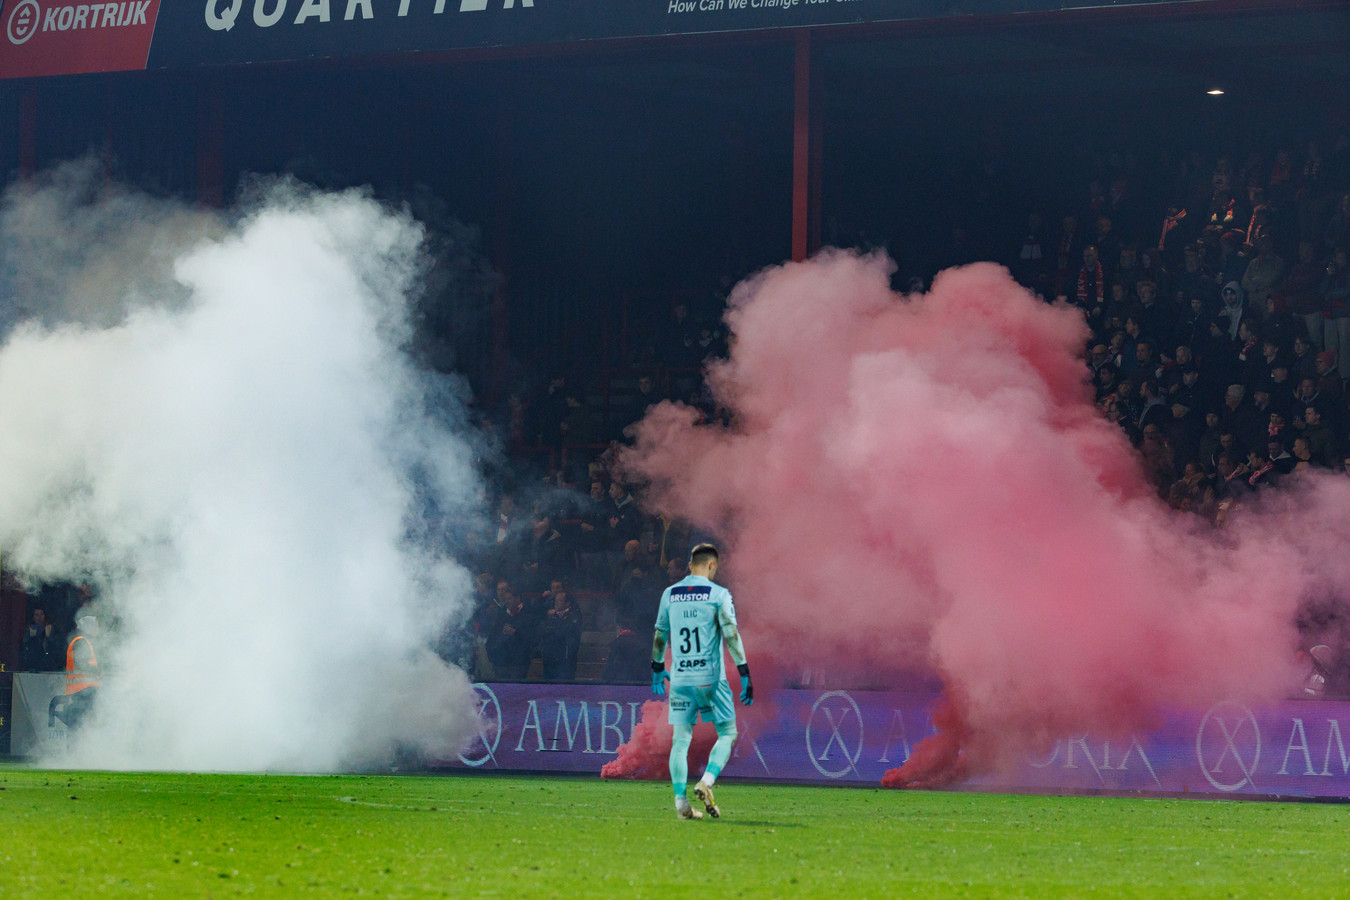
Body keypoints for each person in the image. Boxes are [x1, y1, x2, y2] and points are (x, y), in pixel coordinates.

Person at [650, 543, 752, 820]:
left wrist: (657, 667)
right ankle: (706, 781)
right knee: (728, 733)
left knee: (680, 741)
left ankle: (681, 805)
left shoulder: (669, 594)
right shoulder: (719, 594)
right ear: (711, 565)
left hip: (681, 678)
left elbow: (660, 635)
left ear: (689, 564)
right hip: (710, 679)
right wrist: (744, 673)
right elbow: (731, 634)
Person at [49, 614, 100, 731]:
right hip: (82, 692)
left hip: (81, 692)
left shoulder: (82, 642)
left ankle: (77, 748)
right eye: (95, 626)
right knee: (79, 727)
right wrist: (98, 671)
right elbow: (81, 664)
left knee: (78, 728)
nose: (97, 630)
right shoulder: (81, 642)